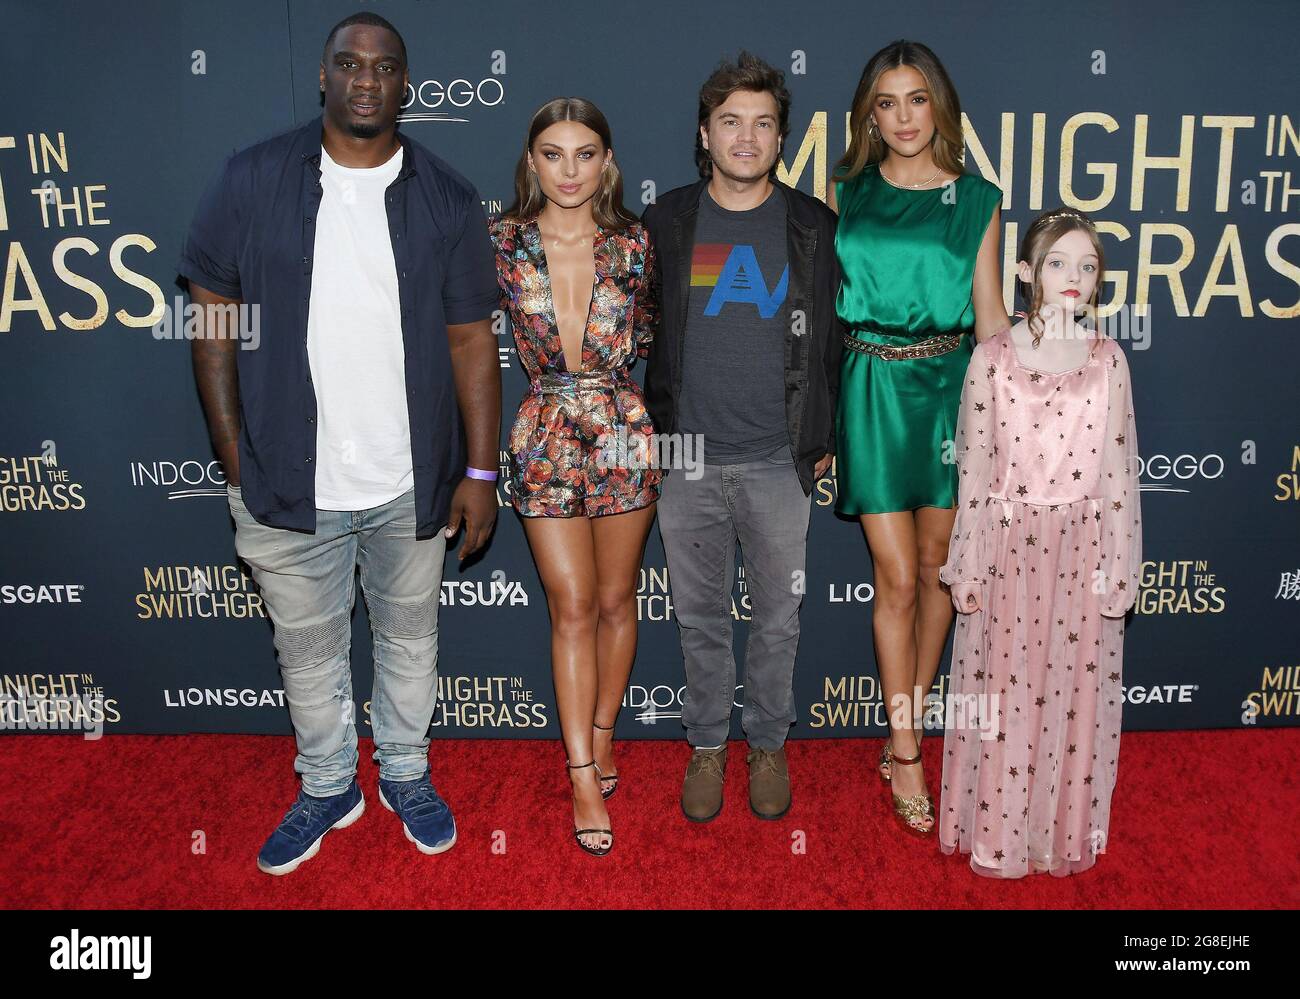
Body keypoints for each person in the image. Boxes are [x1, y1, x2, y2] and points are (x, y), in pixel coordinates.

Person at [177, 12, 501, 875]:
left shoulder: (448, 196)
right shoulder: (251, 179)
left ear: (406, 85)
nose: (366, 79)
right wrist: (232, 453)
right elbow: (210, 321)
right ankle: (327, 783)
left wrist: (478, 468)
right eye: (349, 63)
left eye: (384, 66)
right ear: (324, 75)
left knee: (408, 638)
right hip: (287, 475)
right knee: (309, 646)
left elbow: (472, 339)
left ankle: (403, 771)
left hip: (411, 480)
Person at [642, 52, 842, 823]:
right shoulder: (667, 221)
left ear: (781, 137)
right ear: (705, 132)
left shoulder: (813, 225)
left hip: (776, 459)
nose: (747, 137)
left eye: (763, 124)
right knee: (698, 617)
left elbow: (835, 340)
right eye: (732, 122)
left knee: (776, 618)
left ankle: (767, 742)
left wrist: (820, 434)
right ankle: (706, 744)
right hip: (686, 457)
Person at [828, 40, 1005, 835]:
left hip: (952, 393)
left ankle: (913, 710)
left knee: (937, 573)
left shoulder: (978, 200)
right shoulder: (846, 193)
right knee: (894, 577)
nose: (901, 118)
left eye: (916, 100)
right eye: (885, 104)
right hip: (871, 389)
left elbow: (994, 319)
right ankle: (905, 750)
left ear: (940, 104)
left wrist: (1026, 410)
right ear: (869, 114)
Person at [939, 207, 1141, 877]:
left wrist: (1121, 562)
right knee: (1005, 692)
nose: (1074, 276)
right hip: (1007, 548)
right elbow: (972, 469)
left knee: (1071, 690)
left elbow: (1118, 472)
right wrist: (965, 558)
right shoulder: (991, 359)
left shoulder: (1108, 358)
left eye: (1088, 265)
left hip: (1081, 548)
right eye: (1059, 262)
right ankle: (998, 829)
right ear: (1025, 271)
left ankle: (1057, 829)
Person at [487, 98, 660, 857]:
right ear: (532, 162)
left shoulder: (635, 244)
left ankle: (602, 727)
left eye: (585, 153)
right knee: (574, 604)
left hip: (623, 434)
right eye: (553, 154)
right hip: (544, 433)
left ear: (607, 163)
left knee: (618, 599)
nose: (569, 169)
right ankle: (582, 773)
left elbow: (657, 335)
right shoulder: (500, 243)